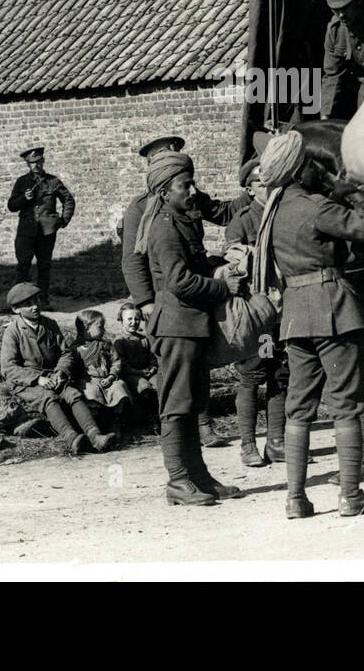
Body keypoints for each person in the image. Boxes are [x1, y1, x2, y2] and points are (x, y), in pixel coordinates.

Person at [257, 130, 364, 519]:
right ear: (298, 171)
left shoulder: (275, 210)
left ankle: (295, 499)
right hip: (331, 310)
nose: (318, 169)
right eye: (311, 164)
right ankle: (351, 495)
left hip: (296, 316)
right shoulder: (316, 208)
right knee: (347, 404)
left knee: (299, 410)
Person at [136, 150, 251, 506]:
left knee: (193, 402)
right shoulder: (164, 227)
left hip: (192, 326)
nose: (192, 190)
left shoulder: (183, 220)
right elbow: (180, 281)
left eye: (191, 182)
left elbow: (195, 265)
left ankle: (199, 476)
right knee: (175, 404)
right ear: (164, 192)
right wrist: (223, 287)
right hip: (176, 327)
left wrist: (223, 264)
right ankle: (178, 480)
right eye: (185, 185)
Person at [118, 135, 229, 448]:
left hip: (192, 295)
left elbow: (220, 211)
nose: (169, 159)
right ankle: (190, 438)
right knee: (176, 372)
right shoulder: (141, 208)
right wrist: (147, 303)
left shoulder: (188, 196)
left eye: (174, 154)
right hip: (166, 297)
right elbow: (132, 261)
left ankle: (203, 427)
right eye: (162, 156)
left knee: (197, 366)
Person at [224, 158, 290, 467]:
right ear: (250, 189)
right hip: (257, 313)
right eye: (262, 183)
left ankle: (276, 442)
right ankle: (248, 445)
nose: (270, 187)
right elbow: (233, 260)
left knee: (281, 374)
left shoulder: (284, 213)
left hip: (283, 311)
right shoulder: (243, 220)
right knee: (252, 375)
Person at [0, 282, 116, 454]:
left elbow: (65, 353)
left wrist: (61, 371)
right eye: (28, 304)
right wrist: (38, 379)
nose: (35, 306)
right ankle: (72, 439)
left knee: (73, 394)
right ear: (16, 310)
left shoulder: (50, 325)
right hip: (27, 382)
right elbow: (8, 367)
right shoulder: (13, 332)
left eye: (37, 300)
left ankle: (96, 436)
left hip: (53, 376)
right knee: (48, 398)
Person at [7, 147, 75, 310]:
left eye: (38, 162)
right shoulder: (22, 182)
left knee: (44, 266)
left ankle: (43, 301)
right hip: (26, 231)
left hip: (46, 232)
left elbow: (68, 200)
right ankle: (17, 302)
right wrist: (24, 198)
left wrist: (62, 220)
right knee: (23, 265)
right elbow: (11, 206)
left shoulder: (53, 181)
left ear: (43, 161)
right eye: (32, 163)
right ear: (27, 164)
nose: (35, 165)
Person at [72, 308, 136, 436]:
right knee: (92, 392)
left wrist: (112, 376)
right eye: (100, 327)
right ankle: (95, 425)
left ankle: (115, 422)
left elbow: (116, 361)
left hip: (108, 379)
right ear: (86, 328)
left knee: (119, 387)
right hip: (89, 381)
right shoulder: (76, 349)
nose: (104, 330)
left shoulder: (106, 345)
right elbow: (73, 368)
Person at [115, 302, 160, 425]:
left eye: (137, 319)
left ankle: (162, 415)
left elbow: (152, 356)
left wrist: (152, 368)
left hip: (147, 372)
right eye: (129, 319)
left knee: (160, 383)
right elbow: (121, 363)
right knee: (144, 387)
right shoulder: (120, 341)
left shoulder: (144, 339)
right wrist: (138, 372)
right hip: (131, 375)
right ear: (121, 320)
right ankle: (149, 419)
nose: (133, 322)